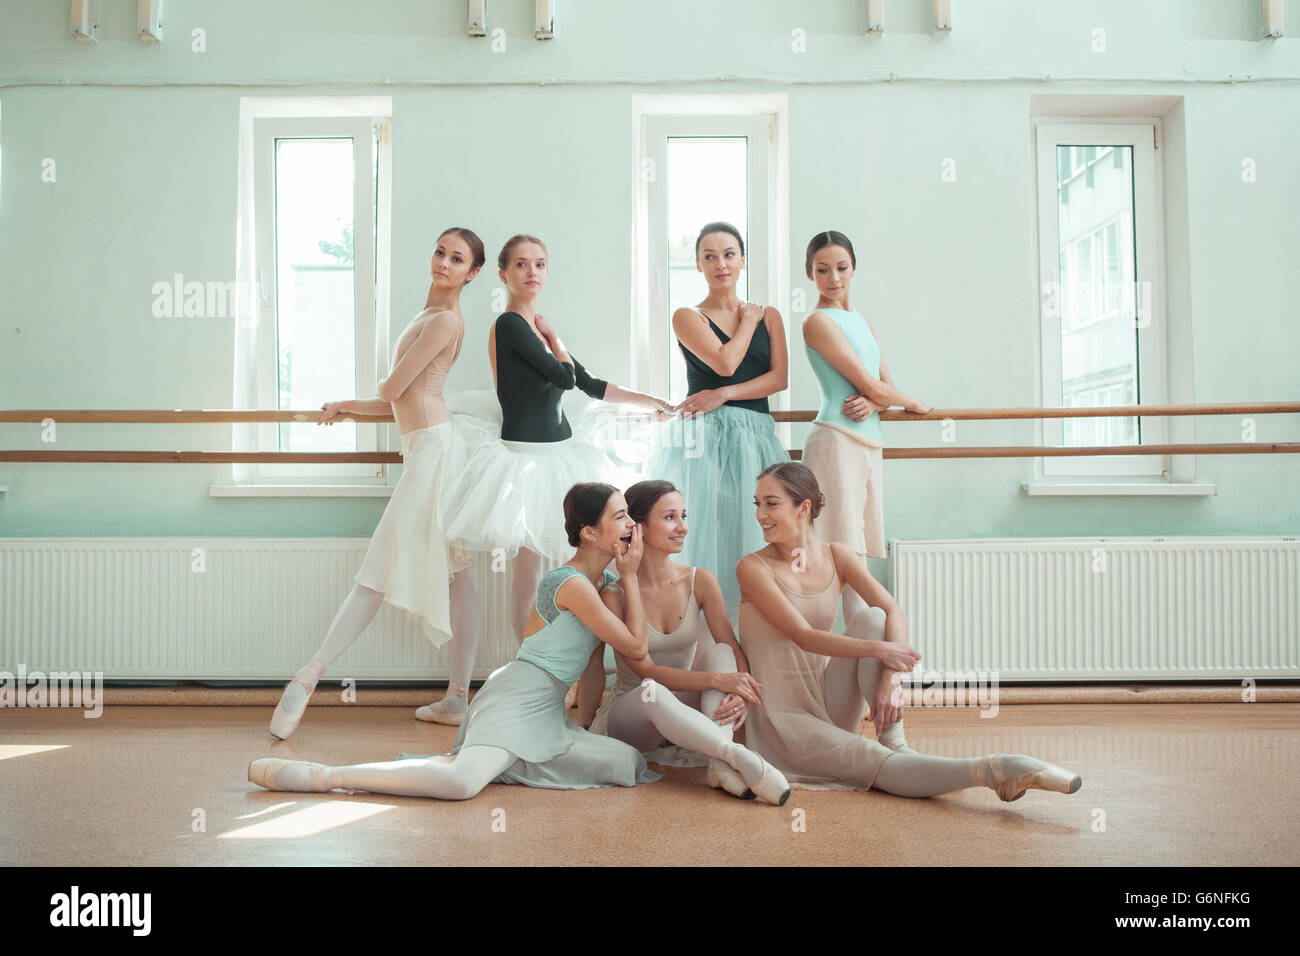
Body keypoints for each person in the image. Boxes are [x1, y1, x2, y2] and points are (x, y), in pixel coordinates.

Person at [249, 484, 789, 804]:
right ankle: (324, 777)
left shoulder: (603, 586)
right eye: (621, 517)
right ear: (590, 534)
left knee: (625, 765)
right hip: (517, 694)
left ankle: (513, 758)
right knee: (462, 782)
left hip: (548, 708)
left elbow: (597, 665)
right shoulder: (574, 584)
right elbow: (638, 650)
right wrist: (628, 579)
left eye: (631, 514)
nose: (631, 526)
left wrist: (578, 725)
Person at [736, 462, 1083, 802]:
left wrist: (890, 679)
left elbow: (893, 611)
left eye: (771, 503)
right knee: (867, 756)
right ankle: (998, 770)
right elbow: (803, 635)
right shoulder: (753, 567)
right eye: (758, 503)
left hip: (824, 700)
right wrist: (880, 651)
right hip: (780, 717)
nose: (760, 514)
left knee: (873, 618)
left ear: (804, 508)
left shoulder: (837, 555)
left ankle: (895, 740)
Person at [267, 228, 488, 738]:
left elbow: (393, 387)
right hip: (424, 447)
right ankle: (458, 696)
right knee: (457, 574)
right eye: (439, 251)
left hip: (435, 450)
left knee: (381, 567)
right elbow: (398, 399)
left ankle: (310, 673)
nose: (443, 263)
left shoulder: (446, 320)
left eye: (457, 259)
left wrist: (372, 395)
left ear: (472, 273)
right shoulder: (427, 316)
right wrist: (349, 405)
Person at [442, 235, 673, 650]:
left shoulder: (537, 328)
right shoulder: (510, 324)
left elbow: (589, 384)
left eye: (540, 264)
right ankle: (532, 671)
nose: (532, 272)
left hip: (562, 458)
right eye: (522, 265)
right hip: (523, 464)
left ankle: (574, 666)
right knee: (529, 581)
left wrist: (650, 401)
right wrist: (557, 341)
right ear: (503, 274)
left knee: (579, 575)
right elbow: (565, 377)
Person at [643, 221, 790, 622]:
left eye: (728, 254)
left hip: (756, 435)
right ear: (697, 265)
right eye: (709, 256)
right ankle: (705, 644)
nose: (720, 263)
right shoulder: (687, 316)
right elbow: (726, 363)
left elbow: (779, 378)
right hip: (705, 438)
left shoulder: (771, 316)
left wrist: (723, 394)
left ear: (742, 259)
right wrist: (747, 322)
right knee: (708, 534)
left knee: (754, 529)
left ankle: (753, 638)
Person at [585, 480, 765, 799]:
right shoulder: (614, 595)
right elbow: (645, 673)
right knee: (652, 692)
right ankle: (729, 753)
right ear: (637, 527)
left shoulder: (700, 581)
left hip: (683, 703)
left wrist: (741, 687)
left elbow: (732, 648)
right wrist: (718, 679)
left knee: (721, 651)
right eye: (670, 517)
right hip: (634, 713)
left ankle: (719, 767)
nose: (682, 527)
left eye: (684, 516)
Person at [800, 230, 931, 624]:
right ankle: (845, 650)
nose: (833, 277)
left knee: (857, 549)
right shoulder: (817, 322)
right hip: (836, 441)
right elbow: (876, 385)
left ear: (854, 268)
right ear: (810, 274)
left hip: (869, 442)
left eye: (841, 267)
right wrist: (910, 401)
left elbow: (880, 386)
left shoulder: (861, 319)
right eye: (822, 270)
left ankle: (865, 651)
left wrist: (879, 400)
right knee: (843, 550)